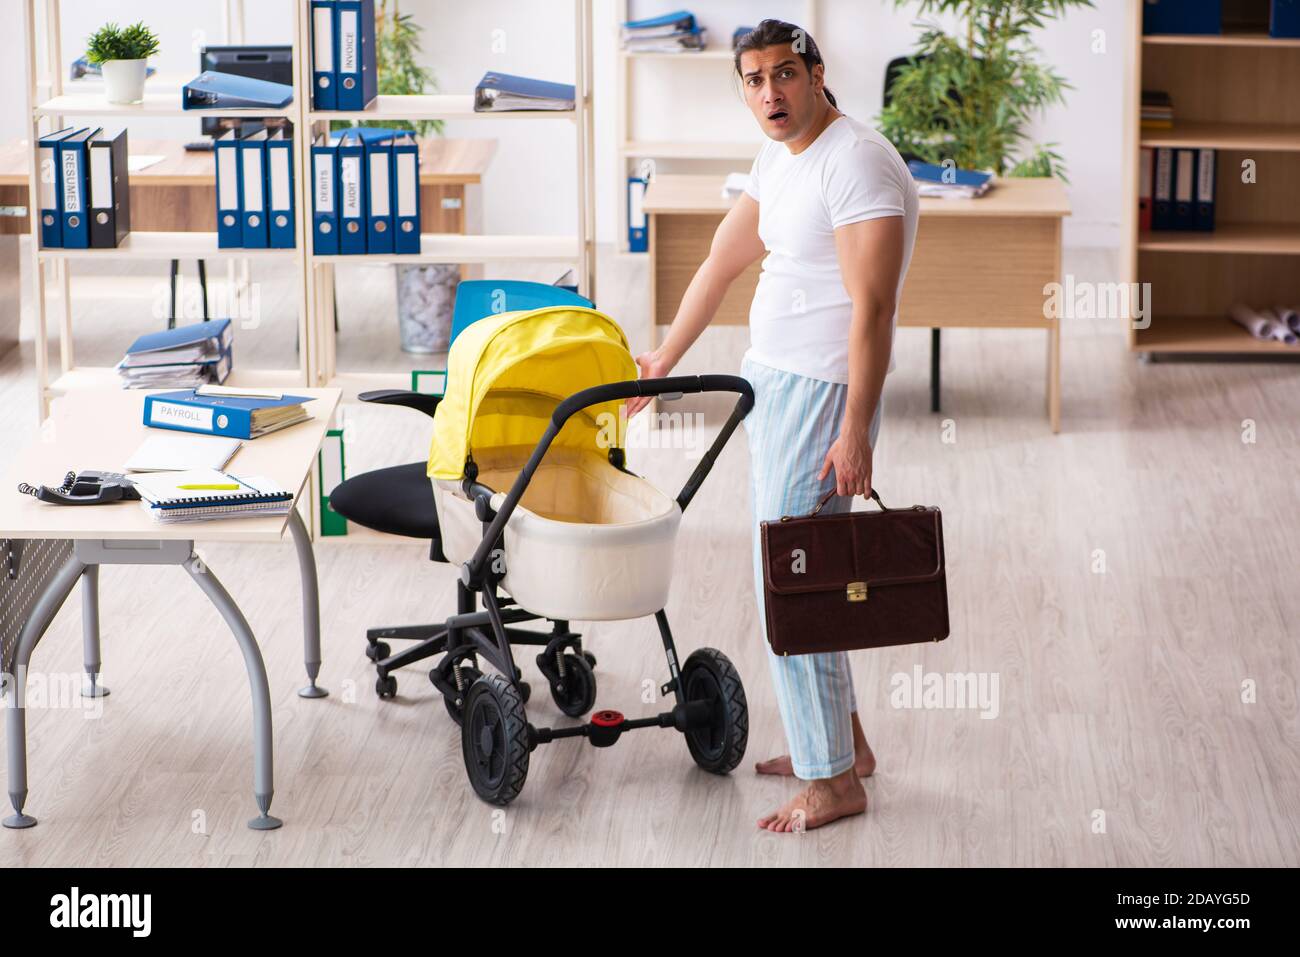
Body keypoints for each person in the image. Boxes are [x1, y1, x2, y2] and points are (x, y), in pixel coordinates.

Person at [627, 19, 919, 832]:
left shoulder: (855, 162)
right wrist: (662, 357)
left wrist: (855, 425)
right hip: (777, 385)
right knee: (808, 573)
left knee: (790, 580)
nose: (769, 94)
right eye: (753, 80)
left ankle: (834, 782)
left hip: (825, 393)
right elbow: (723, 258)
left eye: (783, 75)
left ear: (817, 72)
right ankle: (842, 746)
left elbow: (877, 307)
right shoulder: (782, 157)